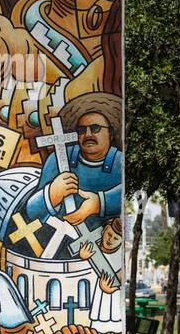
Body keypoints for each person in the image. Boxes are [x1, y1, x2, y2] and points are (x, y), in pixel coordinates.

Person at [24, 94, 122, 236]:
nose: (88, 134)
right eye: (81, 130)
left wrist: (99, 203)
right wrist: (51, 194)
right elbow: (31, 212)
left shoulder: (120, 162)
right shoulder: (57, 159)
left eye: (95, 128)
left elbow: (130, 195)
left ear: (110, 133)